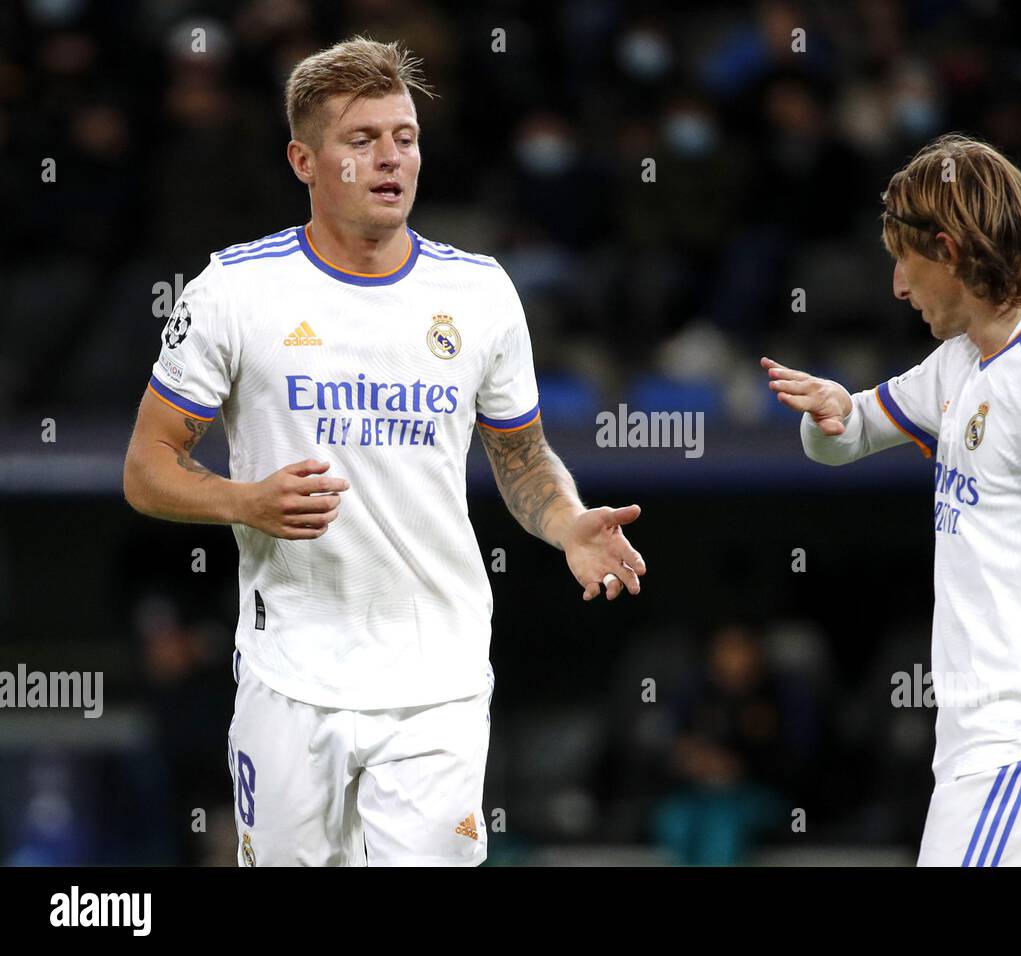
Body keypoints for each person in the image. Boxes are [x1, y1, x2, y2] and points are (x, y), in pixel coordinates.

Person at [122, 37, 646, 867]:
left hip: (435, 676)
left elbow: (522, 458)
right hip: (288, 672)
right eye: (361, 140)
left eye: (403, 136)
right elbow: (146, 468)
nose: (391, 156)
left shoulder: (478, 294)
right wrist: (243, 501)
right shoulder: (233, 290)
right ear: (305, 159)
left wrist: (569, 523)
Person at [762, 134, 1021, 866]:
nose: (896, 286)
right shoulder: (963, 364)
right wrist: (826, 412)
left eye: (903, 261)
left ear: (948, 251)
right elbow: (848, 434)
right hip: (995, 759)